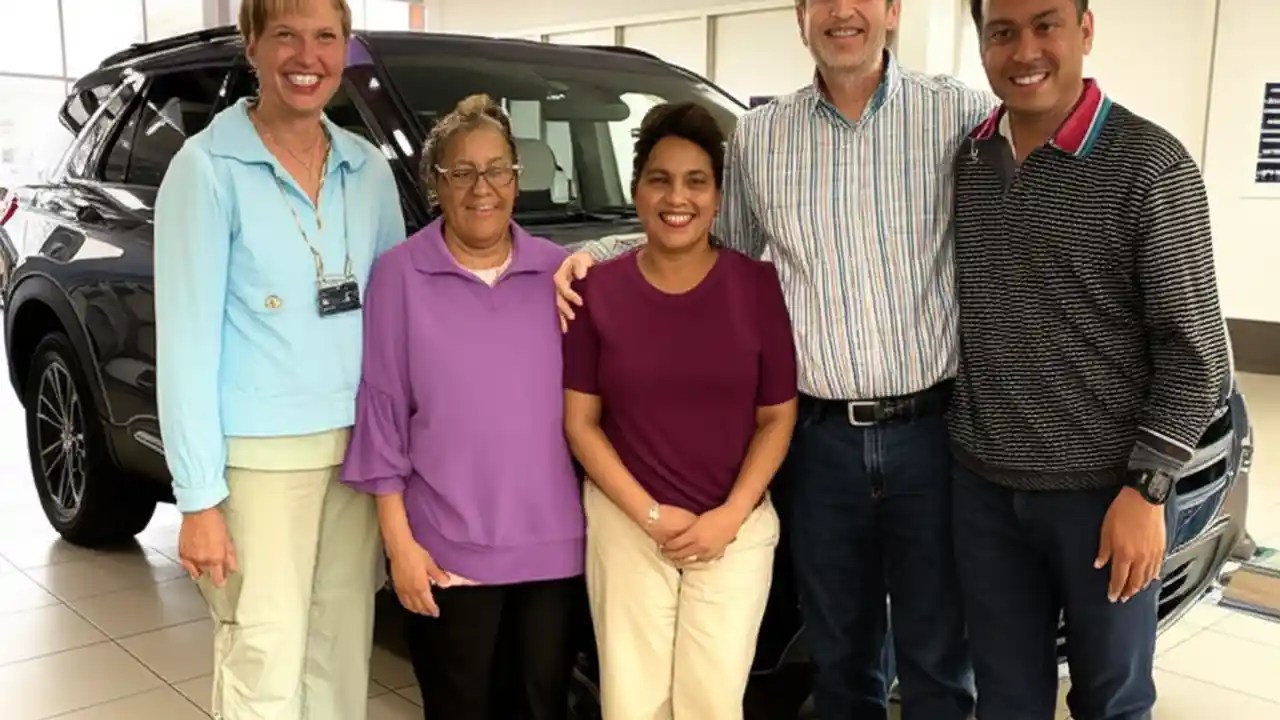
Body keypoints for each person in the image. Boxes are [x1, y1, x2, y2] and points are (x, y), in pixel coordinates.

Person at [555, 2, 993, 718]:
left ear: (892, 10)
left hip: (929, 433)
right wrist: (591, 257)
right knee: (841, 658)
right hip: (819, 443)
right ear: (800, 15)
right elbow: (700, 234)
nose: (842, 12)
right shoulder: (761, 137)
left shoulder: (958, 116)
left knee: (938, 657)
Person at [949, 2, 1231, 719]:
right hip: (983, 492)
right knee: (1006, 700)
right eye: (1003, 32)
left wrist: (1148, 489)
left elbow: (1197, 355)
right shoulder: (969, 159)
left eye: (1046, 25)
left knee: (1111, 700)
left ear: (1086, 30)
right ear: (982, 43)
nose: (1025, 51)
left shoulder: (1149, 165)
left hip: (1102, 499)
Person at [153, 0, 403, 717]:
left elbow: (391, 328)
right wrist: (199, 497)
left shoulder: (367, 169)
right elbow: (187, 347)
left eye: (326, 37)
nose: (307, 56)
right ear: (252, 45)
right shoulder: (206, 168)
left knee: (340, 644)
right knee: (264, 648)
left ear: (345, 48)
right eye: (286, 35)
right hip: (258, 460)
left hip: (357, 454)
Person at [341, 93, 586, 720]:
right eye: (462, 172)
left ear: (518, 178)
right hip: (447, 548)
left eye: (498, 168)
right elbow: (383, 415)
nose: (483, 188)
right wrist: (401, 547)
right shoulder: (399, 275)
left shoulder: (558, 274)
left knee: (541, 708)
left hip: (553, 550)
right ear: (436, 185)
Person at [561, 101, 798, 720]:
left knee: (712, 702)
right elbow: (580, 424)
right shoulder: (596, 292)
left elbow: (777, 418)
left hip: (735, 530)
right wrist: (648, 513)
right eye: (660, 179)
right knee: (632, 702)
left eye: (697, 181)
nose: (678, 197)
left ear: (719, 197)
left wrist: (730, 517)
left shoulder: (757, 287)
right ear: (637, 191)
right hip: (626, 522)